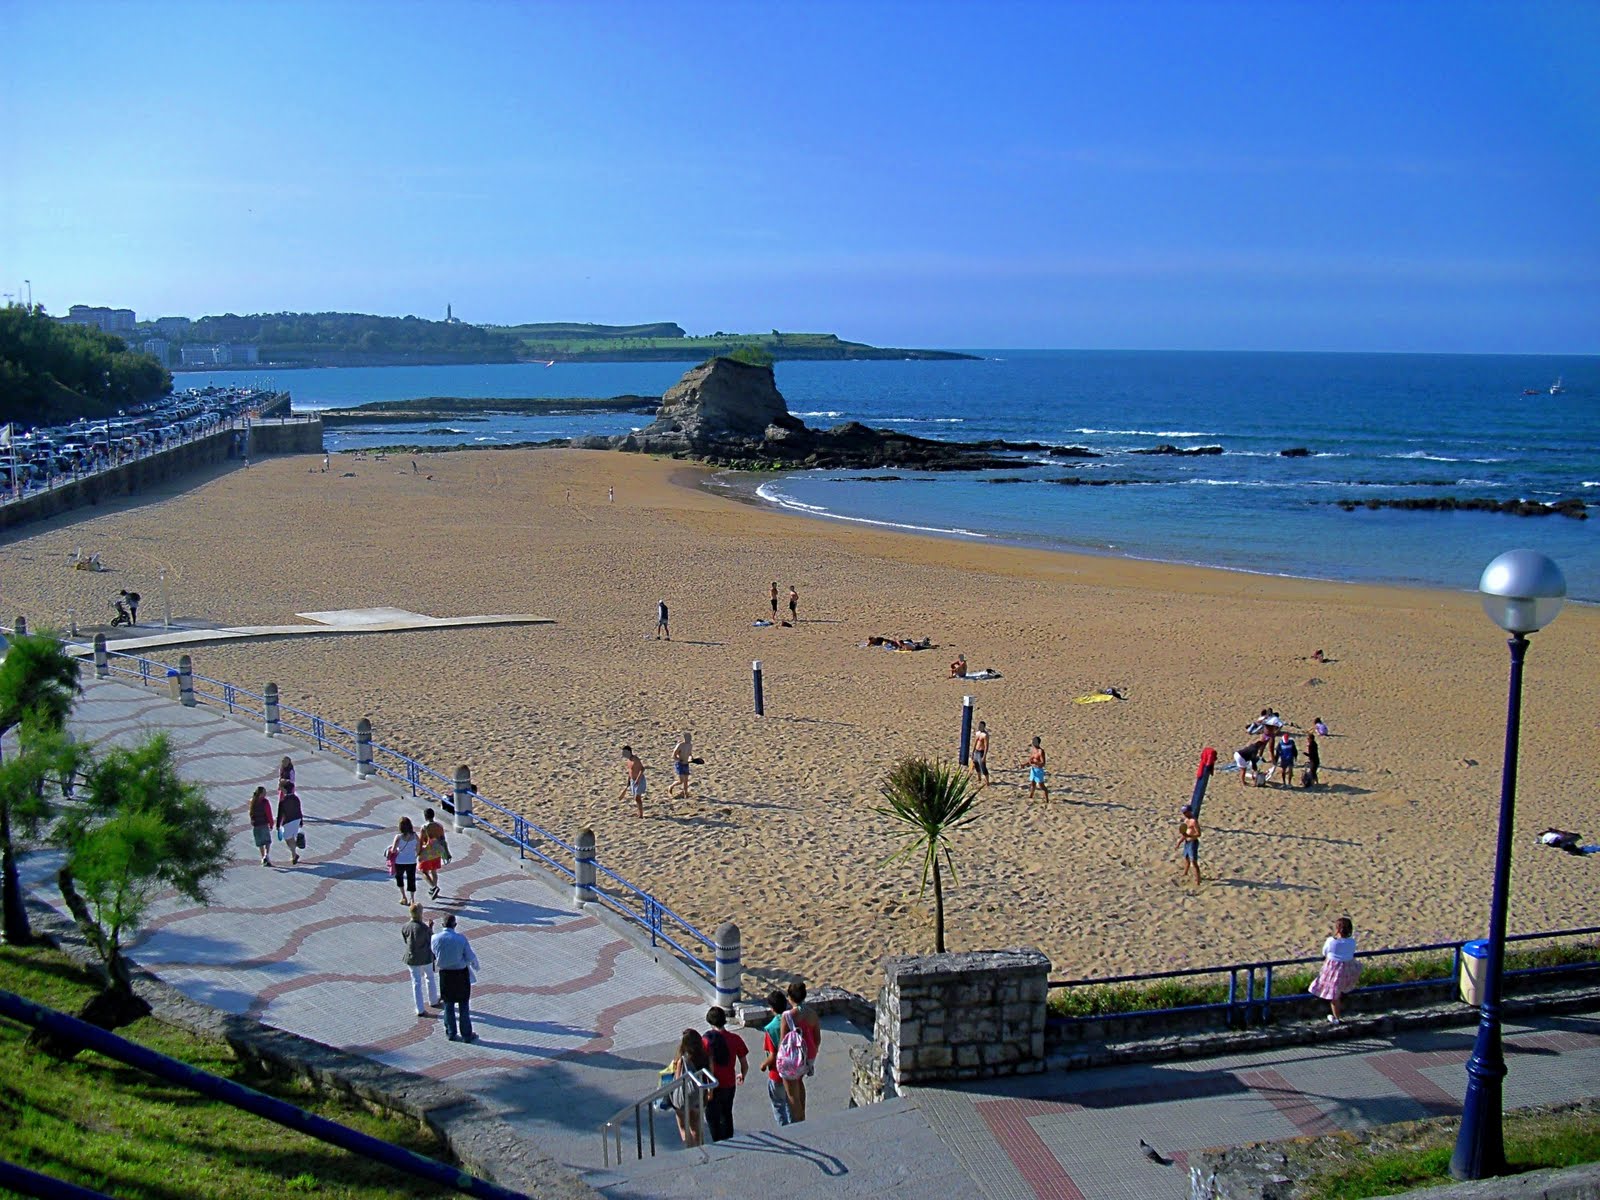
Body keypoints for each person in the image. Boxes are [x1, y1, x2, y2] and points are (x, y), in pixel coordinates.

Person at [701, 1006, 749, 1142]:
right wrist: (742, 1074)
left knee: (712, 1117)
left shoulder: (706, 1040)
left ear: (710, 1022)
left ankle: (718, 1141)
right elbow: (744, 1064)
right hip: (729, 1083)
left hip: (712, 1085)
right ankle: (729, 1138)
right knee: (727, 1113)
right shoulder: (735, 1038)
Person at [431, 913, 480, 1042]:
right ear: (455, 925)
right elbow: (470, 957)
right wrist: (476, 966)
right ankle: (466, 1035)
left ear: (442, 925)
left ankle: (451, 1033)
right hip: (460, 974)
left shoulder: (435, 938)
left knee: (448, 1004)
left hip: (445, 975)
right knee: (463, 1005)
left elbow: (433, 953)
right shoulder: (460, 939)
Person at [1308, 916, 1361, 1023]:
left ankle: (1336, 1017)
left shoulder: (1331, 941)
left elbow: (1325, 952)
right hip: (1349, 969)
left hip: (1334, 969)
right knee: (1340, 990)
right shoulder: (1352, 942)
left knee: (1334, 995)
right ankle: (1337, 1014)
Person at [671, 1028, 712, 1147]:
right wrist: (710, 1091)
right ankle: (699, 1145)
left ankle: (689, 1146)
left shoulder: (682, 1060)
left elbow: (678, 1080)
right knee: (696, 1126)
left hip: (684, 1097)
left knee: (683, 1125)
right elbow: (710, 1074)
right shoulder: (705, 1056)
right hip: (699, 1095)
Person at [758, 990, 793, 1126]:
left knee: (779, 1105)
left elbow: (773, 1055)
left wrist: (763, 1065)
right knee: (791, 1102)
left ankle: (785, 1130)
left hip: (777, 1074)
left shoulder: (771, 1028)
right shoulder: (793, 1021)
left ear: (771, 1008)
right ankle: (795, 1126)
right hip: (793, 1069)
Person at [401, 903, 440, 1018]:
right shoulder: (424, 928)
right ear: (420, 913)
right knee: (430, 977)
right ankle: (433, 1000)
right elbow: (431, 939)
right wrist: (430, 928)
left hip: (412, 958)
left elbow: (405, 940)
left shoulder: (405, 927)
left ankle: (419, 1009)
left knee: (416, 982)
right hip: (426, 957)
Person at [418, 807, 449, 900]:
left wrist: (418, 852)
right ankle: (434, 890)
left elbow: (421, 841)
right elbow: (443, 840)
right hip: (437, 851)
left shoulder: (424, 827)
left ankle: (433, 887)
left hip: (428, 851)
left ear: (425, 817)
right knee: (434, 871)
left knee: (424, 871)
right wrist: (447, 852)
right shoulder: (439, 826)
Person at [390, 817, 420, 905]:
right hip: (411, 861)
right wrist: (415, 855)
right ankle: (412, 899)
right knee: (411, 879)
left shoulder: (398, 837)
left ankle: (403, 897)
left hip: (400, 861)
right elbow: (418, 848)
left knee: (399, 878)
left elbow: (393, 850)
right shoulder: (415, 836)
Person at [275, 786, 304, 866]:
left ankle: (294, 854)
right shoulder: (296, 798)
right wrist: (301, 821)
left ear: (284, 790)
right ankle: (294, 854)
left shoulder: (283, 801)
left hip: (288, 822)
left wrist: (278, 825)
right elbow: (299, 810)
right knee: (291, 837)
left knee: (288, 838)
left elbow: (280, 814)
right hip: (296, 819)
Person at [618, 745, 647, 818]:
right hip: (632, 781)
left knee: (637, 797)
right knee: (636, 798)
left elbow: (642, 769)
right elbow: (630, 771)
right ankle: (639, 812)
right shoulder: (628, 761)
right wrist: (628, 780)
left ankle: (641, 815)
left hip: (639, 780)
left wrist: (638, 779)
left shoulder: (635, 759)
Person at [1175, 805, 1202, 885]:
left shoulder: (1194, 821)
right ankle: (1185, 872)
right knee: (1186, 858)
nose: (1184, 814)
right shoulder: (1186, 820)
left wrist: (1190, 836)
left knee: (1193, 861)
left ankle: (1198, 879)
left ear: (1189, 812)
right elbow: (1185, 833)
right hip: (1187, 842)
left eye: (1185, 812)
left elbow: (1198, 834)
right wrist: (1179, 842)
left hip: (1193, 842)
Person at [248, 786, 274, 867]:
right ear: (261, 793)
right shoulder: (265, 802)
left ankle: (263, 858)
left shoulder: (252, 801)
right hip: (263, 824)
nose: (266, 793)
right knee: (267, 841)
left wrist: (252, 820)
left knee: (260, 843)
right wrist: (271, 823)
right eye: (264, 792)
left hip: (256, 825)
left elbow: (251, 812)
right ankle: (266, 855)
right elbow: (269, 814)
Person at [1191, 746, 1218, 818]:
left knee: (1196, 793)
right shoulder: (1210, 756)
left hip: (1202, 772)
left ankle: (1193, 811)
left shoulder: (1203, 762)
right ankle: (1194, 814)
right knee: (1199, 793)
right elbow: (1209, 763)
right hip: (1204, 773)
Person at [670, 733, 693, 800]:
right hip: (680, 764)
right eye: (687, 738)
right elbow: (673, 755)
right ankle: (671, 786)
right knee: (681, 781)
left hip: (686, 764)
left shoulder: (690, 745)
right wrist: (679, 759)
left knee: (686, 781)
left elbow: (690, 753)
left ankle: (686, 794)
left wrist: (691, 757)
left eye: (690, 737)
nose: (689, 739)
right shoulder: (680, 745)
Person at [1026, 736, 1049, 802]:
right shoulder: (1034, 750)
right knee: (1032, 783)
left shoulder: (1041, 751)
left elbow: (1043, 763)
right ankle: (1031, 795)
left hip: (1038, 770)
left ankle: (1047, 799)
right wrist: (1025, 764)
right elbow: (1031, 760)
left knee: (1041, 786)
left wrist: (1035, 762)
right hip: (1033, 769)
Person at [971, 720, 990, 788]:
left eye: (981, 726)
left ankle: (987, 781)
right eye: (979, 726)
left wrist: (984, 756)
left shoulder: (985, 735)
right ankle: (979, 778)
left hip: (981, 752)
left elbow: (986, 746)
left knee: (983, 767)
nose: (979, 727)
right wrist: (973, 752)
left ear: (984, 727)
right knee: (976, 765)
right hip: (976, 751)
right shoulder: (977, 733)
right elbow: (975, 742)